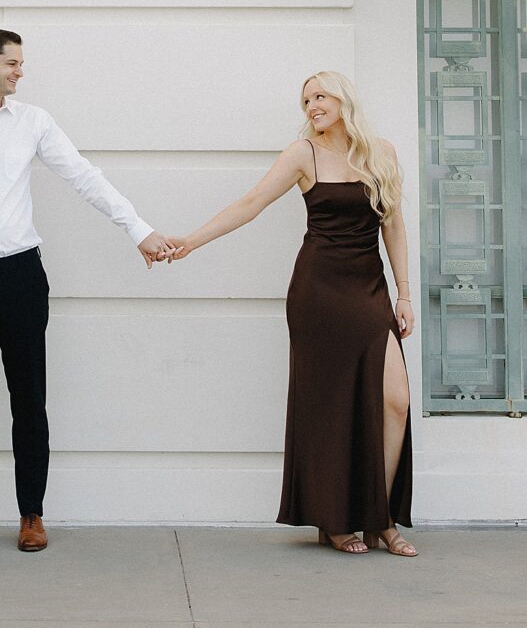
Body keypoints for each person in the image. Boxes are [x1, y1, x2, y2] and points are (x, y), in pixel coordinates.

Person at [0, 28, 172, 555]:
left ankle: (32, 513)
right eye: (12, 63)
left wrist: (137, 228)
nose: (19, 72)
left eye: (20, 63)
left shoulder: (32, 122)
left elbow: (83, 176)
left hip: (21, 276)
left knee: (30, 399)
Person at [165, 71, 416, 557]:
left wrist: (404, 293)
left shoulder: (381, 152)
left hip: (368, 290)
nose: (312, 106)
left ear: (344, 98)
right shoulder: (303, 154)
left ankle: (380, 517)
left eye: (320, 96)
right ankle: (335, 520)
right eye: (305, 100)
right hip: (318, 294)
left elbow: (395, 225)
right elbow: (252, 202)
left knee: (394, 400)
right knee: (329, 408)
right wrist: (191, 241)